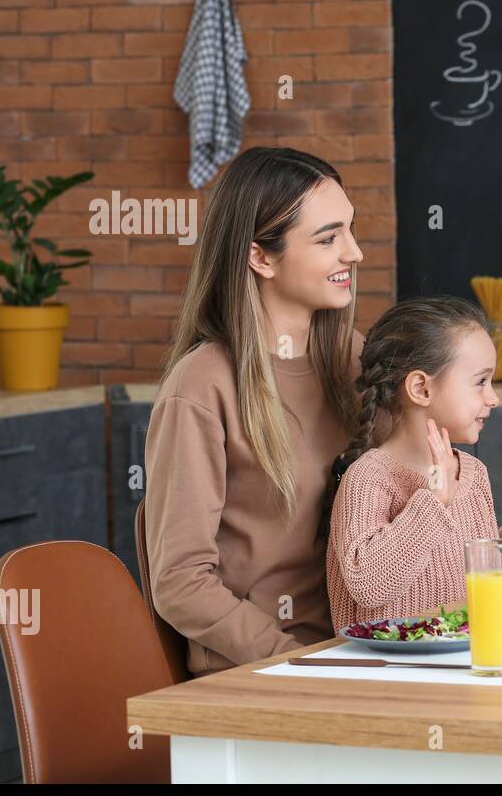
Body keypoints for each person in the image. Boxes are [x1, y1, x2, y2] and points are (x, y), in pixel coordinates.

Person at [144, 147, 364, 677]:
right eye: (328, 237)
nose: (354, 253)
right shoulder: (201, 386)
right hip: (265, 676)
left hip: (364, 653)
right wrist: (293, 660)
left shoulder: (356, 361)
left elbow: (415, 511)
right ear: (261, 257)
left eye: (351, 231)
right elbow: (181, 582)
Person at [324, 295, 502, 627]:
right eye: (480, 382)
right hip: (390, 670)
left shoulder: (473, 473)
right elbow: (369, 586)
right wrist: (434, 500)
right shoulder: (368, 478)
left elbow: (481, 566)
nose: (493, 398)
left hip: (464, 659)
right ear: (421, 388)